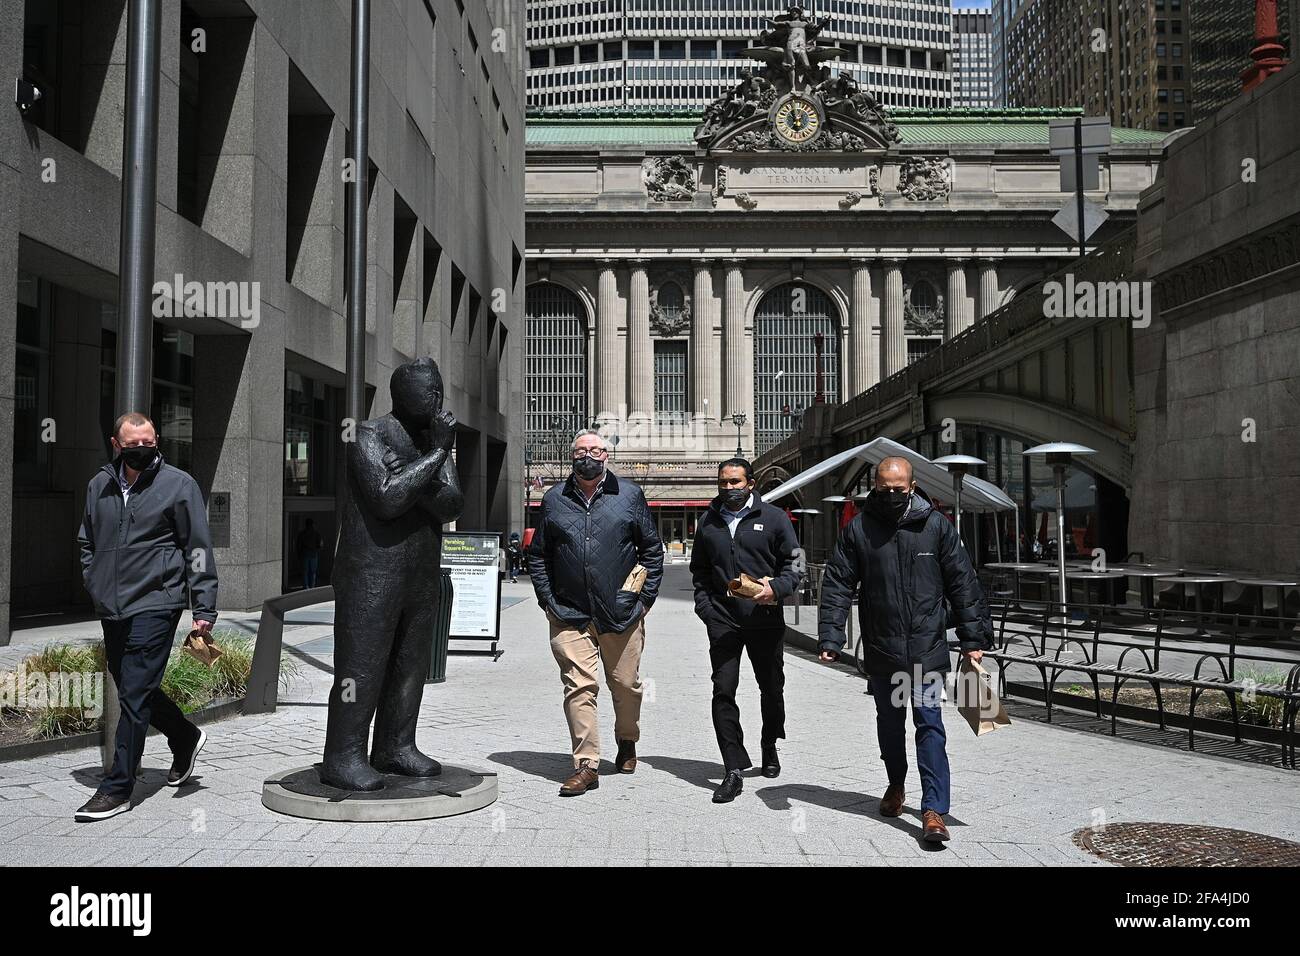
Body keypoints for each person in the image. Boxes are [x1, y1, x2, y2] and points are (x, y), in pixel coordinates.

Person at [817, 455, 992, 843]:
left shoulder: (936, 528)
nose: (892, 495)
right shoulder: (859, 530)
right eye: (884, 489)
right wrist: (831, 636)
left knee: (930, 724)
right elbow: (838, 585)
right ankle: (896, 785)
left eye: (899, 489)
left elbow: (964, 583)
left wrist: (973, 640)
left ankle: (933, 810)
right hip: (883, 650)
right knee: (890, 726)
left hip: (927, 649)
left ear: (911, 486)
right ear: (874, 487)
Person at [74, 412, 218, 822]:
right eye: (134, 444)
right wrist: (94, 580)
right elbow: (87, 539)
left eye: (149, 443)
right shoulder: (99, 484)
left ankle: (118, 788)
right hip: (112, 604)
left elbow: (198, 547)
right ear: (116, 444)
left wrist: (203, 607)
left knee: (134, 693)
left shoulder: (179, 485)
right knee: (134, 686)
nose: (142, 450)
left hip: (158, 600)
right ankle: (185, 736)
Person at [526, 429, 663, 796]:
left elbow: (652, 551)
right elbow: (538, 555)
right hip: (569, 613)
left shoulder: (629, 495)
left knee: (625, 686)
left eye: (595, 450)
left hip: (621, 613)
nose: (588, 455)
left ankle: (627, 738)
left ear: (607, 456)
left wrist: (643, 600)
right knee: (579, 686)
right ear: (573, 456)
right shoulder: (554, 499)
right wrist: (547, 600)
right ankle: (586, 765)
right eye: (581, 450)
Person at [690, 458, 802, 803]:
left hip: (764, 618)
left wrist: (777, 589)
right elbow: (700, 572)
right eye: (723, 483)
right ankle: (733, 767)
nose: (729, 489)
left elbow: (795, 565)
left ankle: (769, 743)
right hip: (723, 620)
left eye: (735, 482)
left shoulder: (775, 519)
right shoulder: (708, 522)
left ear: (750, 483)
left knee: (771, 688)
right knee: (723, 689)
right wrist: (707, 610)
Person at [296, 518, 323, 589]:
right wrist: (316, 550)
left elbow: (298, 545)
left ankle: (306, 587)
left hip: (304, 554)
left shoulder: (302, 534)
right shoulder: (316, 534)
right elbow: (320, 545)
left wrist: (299, 555)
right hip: (314, 555)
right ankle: (312, 587)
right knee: (313, 572)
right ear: (313, 524)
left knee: (305, 572)